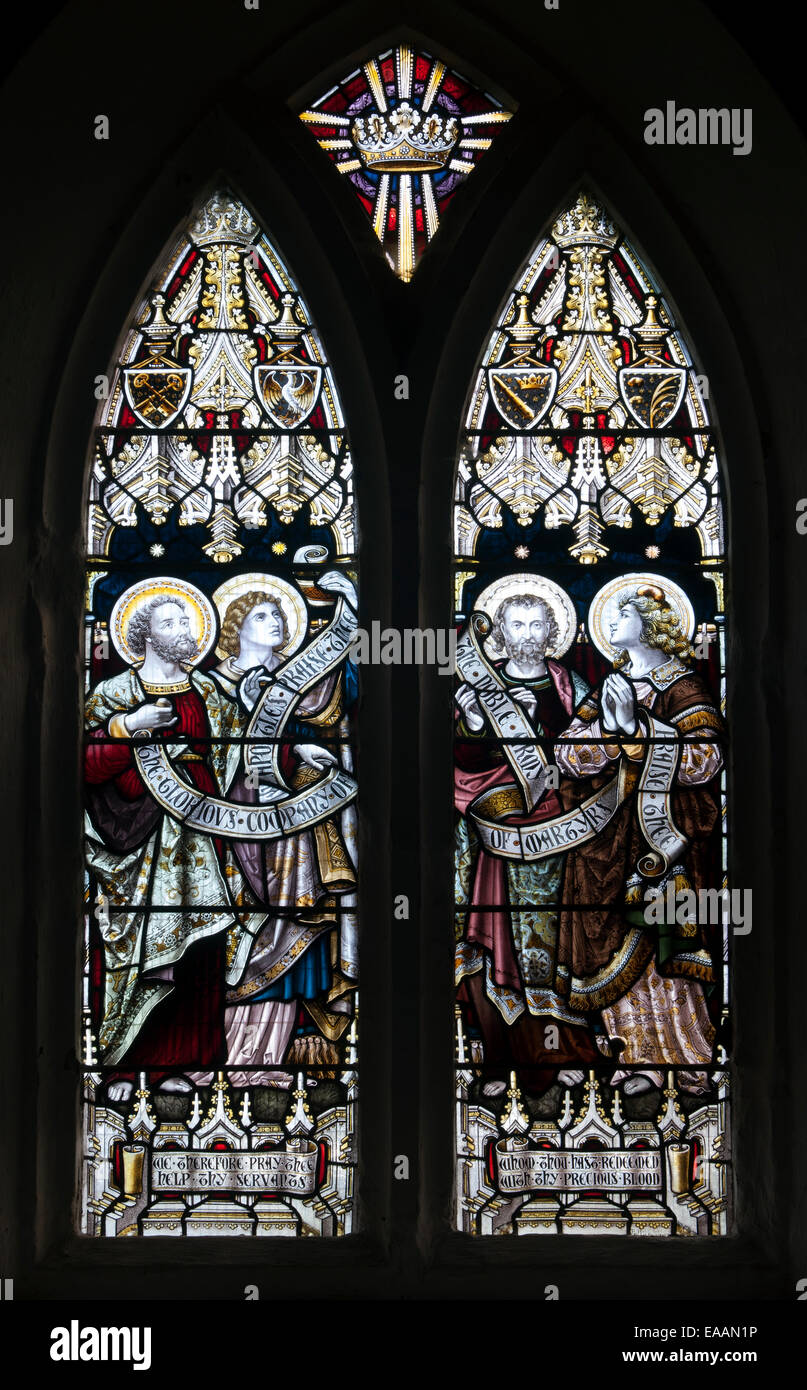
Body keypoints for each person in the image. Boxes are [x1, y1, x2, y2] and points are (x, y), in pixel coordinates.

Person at [85, 582, 260, 1102]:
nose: (183, 632)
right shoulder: (114, 695)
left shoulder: (211, 694)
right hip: (138, 842)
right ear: (142, 635)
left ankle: (193, 1064)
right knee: (137, 953)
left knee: (201, 949)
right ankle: (125, 1068)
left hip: (204, 835)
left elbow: (247, 760)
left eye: (187, 623)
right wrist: (128, 728)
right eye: (170, 623)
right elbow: (84, 767)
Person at [553, 582, 723, 1094]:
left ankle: (676, 1058)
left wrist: (637, 729)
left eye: (623, 612)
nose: (611, 621)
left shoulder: (683, 686)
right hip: (603, 836)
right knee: (605, 938)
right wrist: (611, 733)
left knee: (654, 942)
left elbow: (705, 760)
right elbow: (567, 753)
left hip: (661, 838)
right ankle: (627, 1054)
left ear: (651, 623)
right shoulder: (612, 682)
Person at [208, 571, 359, 1086]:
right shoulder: (215, 687)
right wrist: (291, 754)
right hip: (241, 828)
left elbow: (349, 690)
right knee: (250, 934)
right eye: (261, 615)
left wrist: (353, 612)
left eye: (279, 614)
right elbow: (216, 760)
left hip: (304, 832)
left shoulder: (303, 684)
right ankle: (243, 1063)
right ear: (233, 630)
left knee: (307, 928)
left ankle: (303, 1053)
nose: (275, 623)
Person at [454, 584, 601, 1093]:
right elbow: (463, 766)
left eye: (538, 625)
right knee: (501, 948)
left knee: (560, 943)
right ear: (499, 633)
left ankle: (565, 1057)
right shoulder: (481, 688)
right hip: (501, 835)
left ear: (553, 631)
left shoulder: (570, 687)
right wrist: (475, 722)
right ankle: (504, 1060)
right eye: (516, 625)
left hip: (561, 830)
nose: (528, 635)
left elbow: (593, 754)